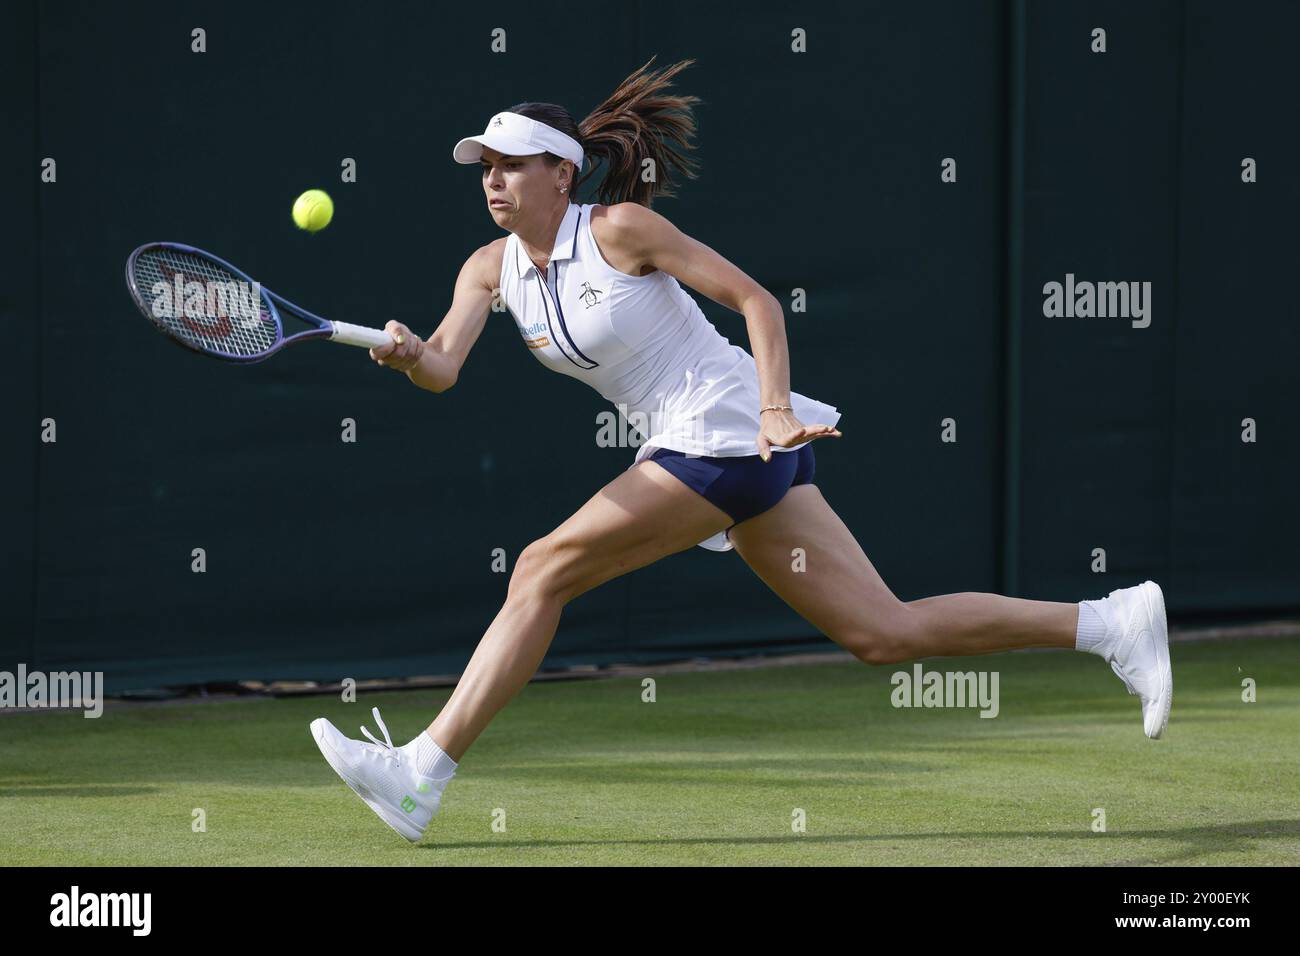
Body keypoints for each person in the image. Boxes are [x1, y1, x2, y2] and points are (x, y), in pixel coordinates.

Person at [310, 57, 1172, 843]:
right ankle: (1110, 623)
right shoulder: (489, 269)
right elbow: (445, 368)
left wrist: (769, 410)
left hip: (726, 428)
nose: (492, 180)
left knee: (541, 568)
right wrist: (410, 355)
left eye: (509, 165)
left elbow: (758, 302)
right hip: (713, 450)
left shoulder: (621, 231)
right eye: (484, 168)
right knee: (885, 633)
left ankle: (421, 774)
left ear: (561, 174)